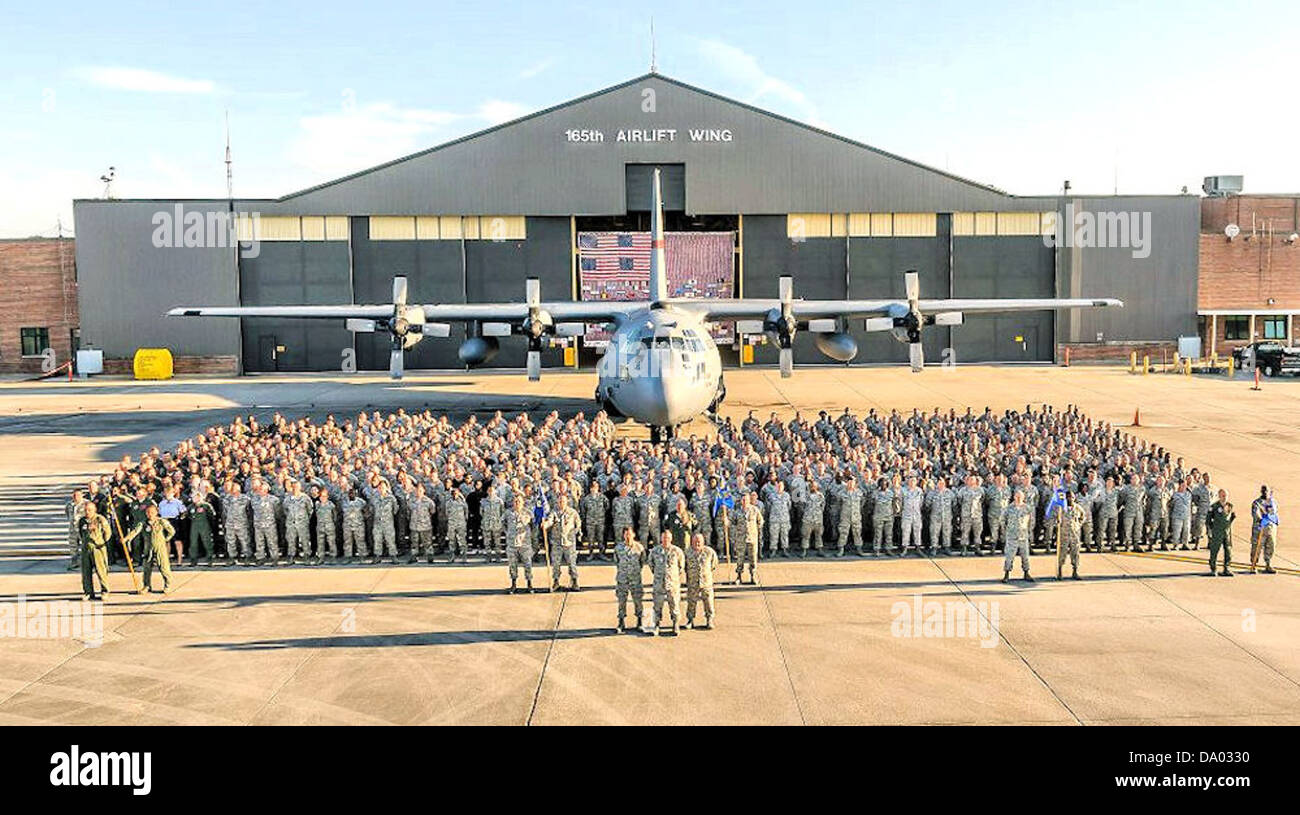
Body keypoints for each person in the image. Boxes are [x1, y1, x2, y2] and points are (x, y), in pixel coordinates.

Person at [124, 504, 176, 593]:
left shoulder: (161, 522)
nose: (150, 514)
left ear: (156, 512)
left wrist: (165, 540)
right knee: (147, 568)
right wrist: (126, 538)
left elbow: (172, 531)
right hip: (148, 549)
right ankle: (146, 586)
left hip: (160, 548)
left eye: (152, 512)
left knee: (164, 567)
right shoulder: (143, 523)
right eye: (148, 512)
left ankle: (168, 585)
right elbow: (135, 531)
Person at [649, 529, 685, 636]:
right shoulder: (655, 551)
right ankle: (656, 625)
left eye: (668, 538)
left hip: (672, 584)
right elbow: (651, 565)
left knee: (674, 605)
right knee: (657, 606)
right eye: (664, 538)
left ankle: (675, 624)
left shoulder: (677, 551)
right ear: (661, 539)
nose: (666, 540)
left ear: (671, 539)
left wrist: (672, 576)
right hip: (659, 583)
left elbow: (681, 567)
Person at [544, 493, 581, 591]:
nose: (561, 503)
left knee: (572, 563)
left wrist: (573, 533)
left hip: (569, 543)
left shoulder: (572, 512)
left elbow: (578, 524)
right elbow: (550, 521)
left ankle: (575, 581)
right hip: (557, 543)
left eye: (563, 501)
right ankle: (556, 582)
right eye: (560, 501)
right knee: (556, 564)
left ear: (567, 502)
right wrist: (545, 524)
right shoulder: (554, 512)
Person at [78, 502, 114, 600]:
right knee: (86, 572)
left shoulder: (100, 519)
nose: (87, 512)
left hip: (98, 548)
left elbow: (108, 533)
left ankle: (105, 591)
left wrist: (101, 542)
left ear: (95, 510)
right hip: (86, 548)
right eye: (85, 510)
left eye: (89, 510)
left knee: (101, 571)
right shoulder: (82, 521)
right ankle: (88, 592)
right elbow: (80, 533)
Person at [684, 532, 718, 629]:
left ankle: (709, 619)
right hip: (692, 583)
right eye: (695, 542)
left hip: (706, 583)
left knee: (708, 603)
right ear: (691, 542)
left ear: (703, 542)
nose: (697, 544)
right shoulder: (687, 552)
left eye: (699, 542)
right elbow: (684, 566)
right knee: (691, 602)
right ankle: (690, 620)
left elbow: (713, 565)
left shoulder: (709, 552)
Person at [613, 526, 645, 632]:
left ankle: (639, 621)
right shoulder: (618, 548)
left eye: (630, 534)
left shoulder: (639, 548)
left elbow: (642, 562)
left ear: (634, 535)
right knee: (622, 601)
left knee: (638, 600)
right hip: (622, 579)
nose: (628, 536)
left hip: (635, 579)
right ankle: (621, 622)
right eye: (626, 534)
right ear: (623, 535)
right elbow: (616, 561)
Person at [1001, 490, 1034, 583]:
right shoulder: (1008, 508)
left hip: (1023, 536)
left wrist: (1029, 531)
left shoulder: (1027, 508)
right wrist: (1006, 531)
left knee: (1025, 556)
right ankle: (1006, 574)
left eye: (1020, 497)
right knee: (1009, 556)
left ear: (1023, 497)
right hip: (1012, 536)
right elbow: (1002, 520)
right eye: (1017, 496)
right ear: (1014, 497)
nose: (1018, 498)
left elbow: (1031, 521)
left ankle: (1026, 573)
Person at [505, 496, 534, 593]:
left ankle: (529, 584)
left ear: (523, 502)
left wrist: (530, 535)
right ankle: (513, 584)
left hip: (525, 544)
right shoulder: (508, 513)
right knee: (512, 565)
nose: (517, 503)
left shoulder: (528, 512)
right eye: (515, 501)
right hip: (512, 544)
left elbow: (533, 525)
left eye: (519, 501)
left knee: (528, 565)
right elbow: (503, 523)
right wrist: (508, 533)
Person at [1250, 486, 1279, 574]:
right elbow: (1256, 513)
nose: (1265, 492)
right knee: (1257, 547)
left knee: (1271, 546)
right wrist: (1262, 519)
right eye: (1263, 491)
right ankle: (1254, 564)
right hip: (1260, 528)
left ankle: (1268, 564)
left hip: (1271, 528)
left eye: (1267, 491)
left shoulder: (1273, 502)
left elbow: (1275, 512)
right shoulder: (1257, 503)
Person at [1206, 489, 1235, 577]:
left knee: (1228, 550)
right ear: (1219, 496)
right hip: (1217, 531)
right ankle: (1213, 568)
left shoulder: (1230, 506)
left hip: (1226, 532)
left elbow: (1230, 517)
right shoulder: (1214, 506)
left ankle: (1227, 568)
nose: (1224, 497)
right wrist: (1212, 529)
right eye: (1222, 495)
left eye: (1225, 495)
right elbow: (1208, 519)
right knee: (1214, 550)